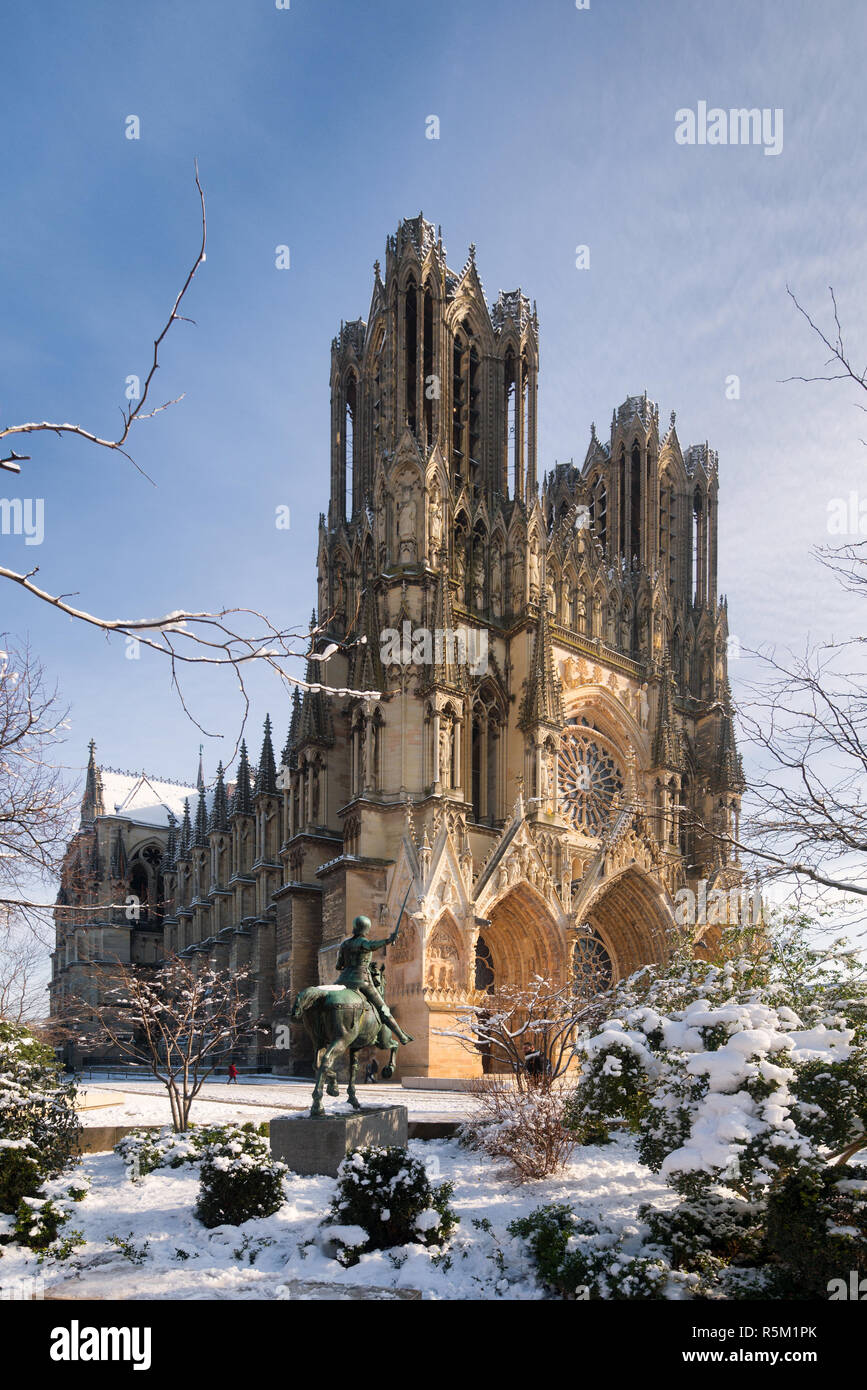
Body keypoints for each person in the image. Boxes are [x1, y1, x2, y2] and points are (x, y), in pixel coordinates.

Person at [334, 915, 413, 1045]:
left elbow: (338, 966)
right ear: (366, 928)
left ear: (355, 927)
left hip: (342, 981)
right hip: (361, 981)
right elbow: (372, 945)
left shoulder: (345, 944)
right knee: (383, 1008)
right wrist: (388, 940)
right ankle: (401, 1035)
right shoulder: (363, 942)